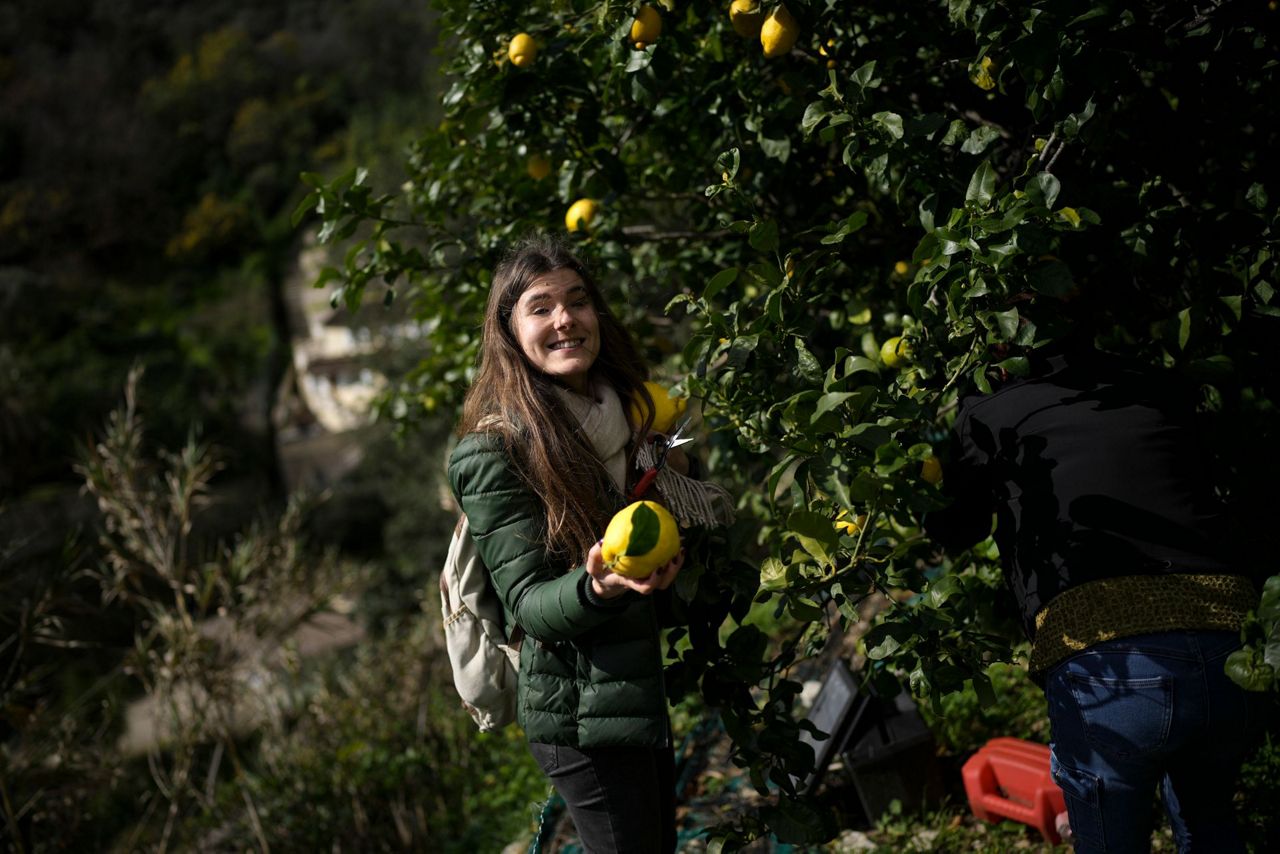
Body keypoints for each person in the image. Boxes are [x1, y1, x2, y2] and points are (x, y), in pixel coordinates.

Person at [925, 330, 1265, 853]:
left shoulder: (989, 409)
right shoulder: (1151, 381)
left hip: (1114, 656)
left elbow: (953, 528)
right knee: (1211, 823)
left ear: (997, 348)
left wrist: (919, 476)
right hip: (1231, 641)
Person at [448, 236, 686, 853]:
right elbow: (526, 602)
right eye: (540, 307)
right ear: (510, 330)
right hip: (578, 716)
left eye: (577, 301)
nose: (564, 320)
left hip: (633, 691)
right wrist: (597, 586)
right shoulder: (493, 451)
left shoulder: (633, 415)